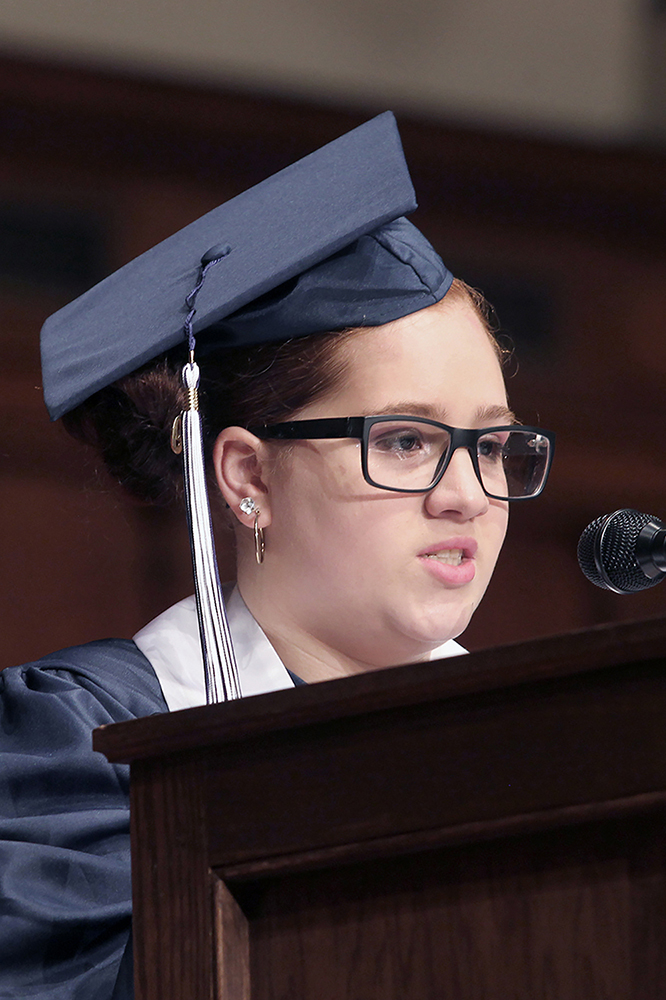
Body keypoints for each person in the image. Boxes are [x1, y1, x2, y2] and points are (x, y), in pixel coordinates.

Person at [0, 113, 554, 998]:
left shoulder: (560, 757)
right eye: (407, 441)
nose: (466, 493)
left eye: (490, 446)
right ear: (247, 475)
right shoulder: (88, 752)